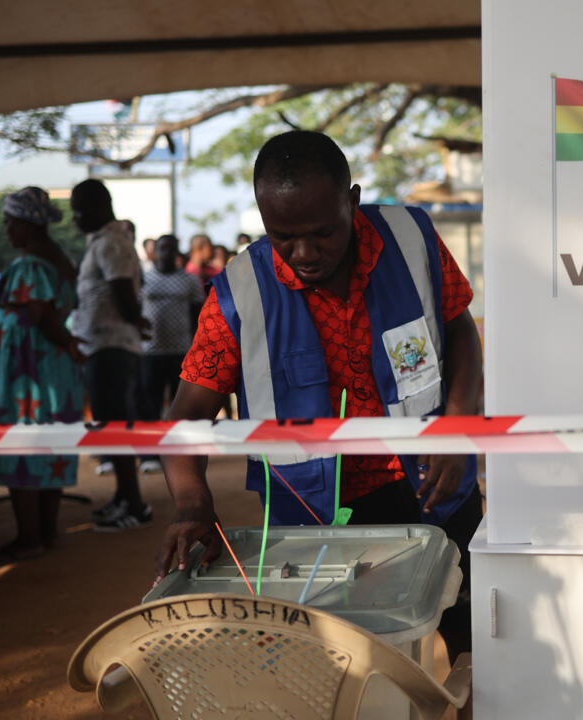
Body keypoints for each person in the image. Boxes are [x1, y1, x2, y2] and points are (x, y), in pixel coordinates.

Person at [154, 130, 484, 663]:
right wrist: (192, 502)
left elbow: (460, 329)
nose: (304, 253)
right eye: (282, 235)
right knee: (350, 657)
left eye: (323, 233)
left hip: (435, 480)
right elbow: (184, 418)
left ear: (351, 201)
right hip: (317, 518)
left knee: (466, 637)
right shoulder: (239, 295)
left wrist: (458, 427)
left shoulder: (411, 237)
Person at [0, 187, 85, 562]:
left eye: (9, 223)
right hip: (48, 367)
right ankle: (46, 533)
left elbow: (41, 316)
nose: (7, 231)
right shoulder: (57, 259)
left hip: (28, 373)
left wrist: (66, 341)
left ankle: (29, 538)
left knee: (20, 445)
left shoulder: (30, 265)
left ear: (26, 223)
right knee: (47, 446)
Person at [70, 178, 153, 531]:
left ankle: (134, 504)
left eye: (78, 210)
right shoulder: (104, 241)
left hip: (112, 347)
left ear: (98, 206)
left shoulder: (112, 243)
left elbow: (121, 289)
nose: (74, 218)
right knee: (109, 425)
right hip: (103, 345)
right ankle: (123, 496)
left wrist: (135, 319)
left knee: (115, 425)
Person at [137, 234, 204, 474]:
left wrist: (197, 348)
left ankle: (179, 453)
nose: (166, 253)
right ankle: (149, 455)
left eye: (171, 248)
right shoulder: (143, 278)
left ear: (177, 251)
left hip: (181, 352)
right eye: (162, 248)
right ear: (156, 251)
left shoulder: (189, 280)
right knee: (150, 404)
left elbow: (199, 313)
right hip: (150, 352)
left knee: (180, 404)